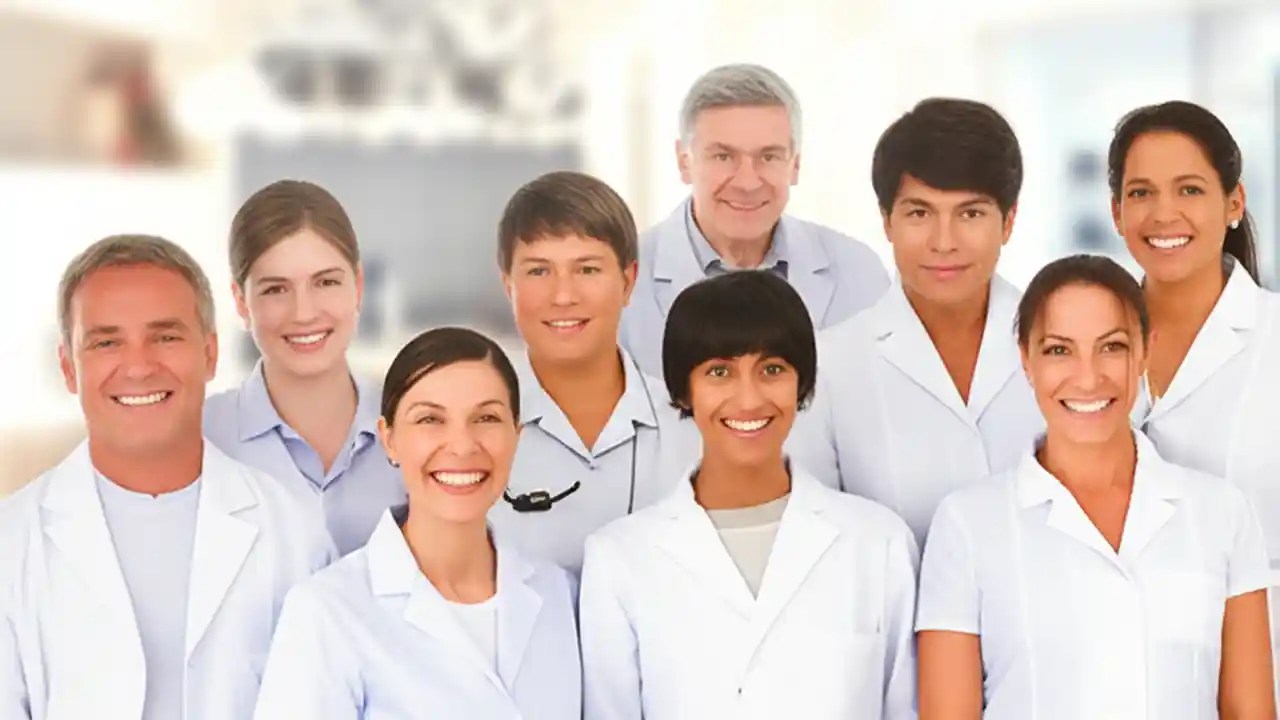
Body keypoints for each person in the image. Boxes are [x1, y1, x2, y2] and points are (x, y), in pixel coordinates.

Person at [916, 254, 1275, 719]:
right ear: (1025, 359)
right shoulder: (967, 525)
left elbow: (1251, 712)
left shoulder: (1222, 514)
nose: (1088, 377)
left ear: (1146, 349)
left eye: (1112, 347)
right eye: (1059, 350)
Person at [0, 235, 334, 719]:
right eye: (106, 341)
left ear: (211, 354)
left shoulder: (294, 532)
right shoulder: (10, 544)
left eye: (165, 336)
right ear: (69, 368)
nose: (138, 366)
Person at [580, 270, 918, 720]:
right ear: (684, 391)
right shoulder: (619, 559)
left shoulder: (879, 544)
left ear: (803, 385)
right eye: (719, 372)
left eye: (772, 370)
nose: (749, 399)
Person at [253, 327, 582, 720]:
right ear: (388, 440)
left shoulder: (560, 594)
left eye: (487, 418)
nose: (462, 445)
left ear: (517, 436)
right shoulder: (327, 611)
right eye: (430, 419)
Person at [788, 97, 1042, 544]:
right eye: (919, 213)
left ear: (1009, 221)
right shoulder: (828, 366)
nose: (944, 242)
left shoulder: (1066, 345)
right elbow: (818, 544)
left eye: (971, 213)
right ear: (886, 221)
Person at [1109, 100, 1280, 676]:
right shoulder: (1081, 342)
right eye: (1140, 193)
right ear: (1115, 211)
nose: (1164, 214)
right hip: (1119, 669)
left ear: (1234, 202)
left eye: (1189, 189)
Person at [620, 63, 889, 378]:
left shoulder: (859, 275)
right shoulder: (620, 285)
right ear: (684, 162)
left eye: (769, 156)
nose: (747, 182)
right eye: (723, 156)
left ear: (795, 165)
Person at [489, 170, 697, 575]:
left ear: (628, 280)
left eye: (587, 270)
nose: (564, 295)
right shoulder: (468, 432)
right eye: (538, 271)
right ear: (508, 285)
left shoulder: (693, 428)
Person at [204, 179, 405, 555]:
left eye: (326, 282)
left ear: (358, 287)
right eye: (275, 289)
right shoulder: (200, 439)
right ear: (241, 302)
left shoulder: (418, 428)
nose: (304, 313)